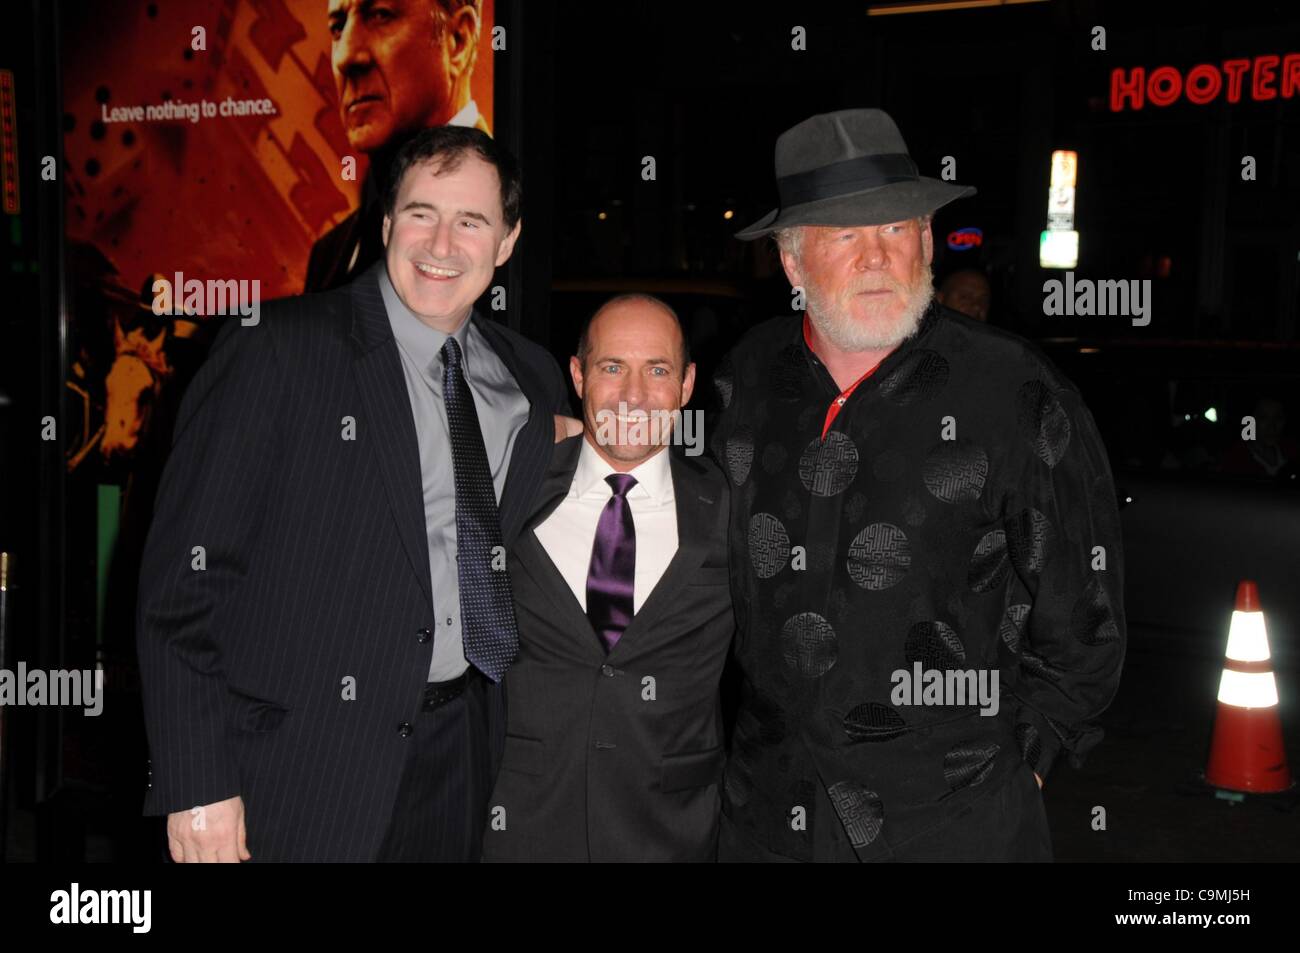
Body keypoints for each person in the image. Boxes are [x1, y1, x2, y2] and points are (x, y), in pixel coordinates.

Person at [137, 126, 570, 862]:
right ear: (387, 221)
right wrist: (195, 780)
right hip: (297, 766)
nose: (441, 244)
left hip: (460, 750)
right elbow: (182, 586)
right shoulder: (279, 348)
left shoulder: (529, 377)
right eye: (422, 213)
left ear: (507, 241)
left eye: (471, 221)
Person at [713, 108, 1125, 862]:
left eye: (895, 228)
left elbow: (1086, 621)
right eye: (844, 234)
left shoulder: (1013, 390)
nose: (876, 256)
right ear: (793, 262)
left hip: (952, 821)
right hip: (769, 813)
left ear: (927, 241)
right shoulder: (746, 377)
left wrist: (1021, 768)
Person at [483, 295, 734, 861]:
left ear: (688, 384)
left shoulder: (727, 506)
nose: (633, 395)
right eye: (613, 367)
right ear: (578, 375)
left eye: (658, 371)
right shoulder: (510, 485)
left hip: (671, 831)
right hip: (519, 821)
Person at [307, 0, 490, 292]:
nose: (345, 57)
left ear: (458, 41)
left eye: (381, 15)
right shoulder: (328, 255)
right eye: (338, 27)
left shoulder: (511, 211)